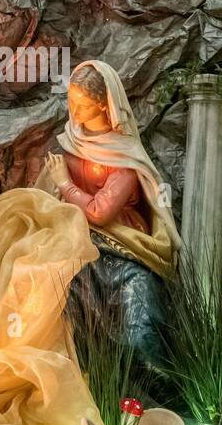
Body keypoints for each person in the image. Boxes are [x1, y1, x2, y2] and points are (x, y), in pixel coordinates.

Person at [35, 60, 180, 375]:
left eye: (83, 105)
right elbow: (47, 197)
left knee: (141, 324)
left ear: (104, 104)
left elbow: (101, 212)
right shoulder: (70, 142)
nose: (74, 111)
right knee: (54, 298)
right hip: (78, 245)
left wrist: (65, 184)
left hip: (126, 247)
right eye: (71, 101)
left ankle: (149, 396)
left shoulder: (124, 156)